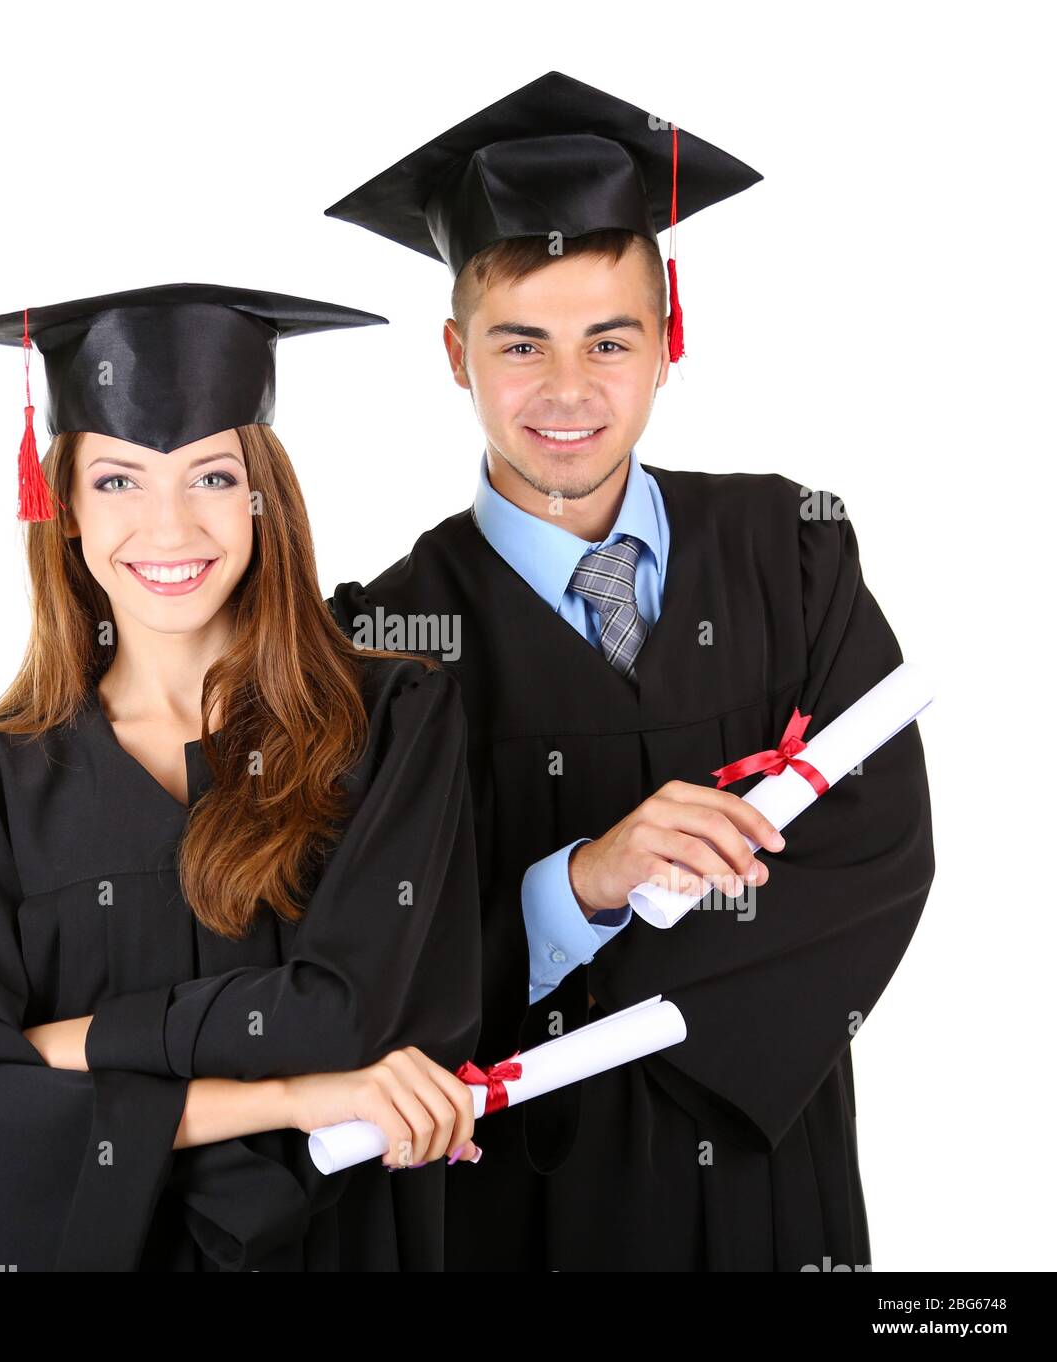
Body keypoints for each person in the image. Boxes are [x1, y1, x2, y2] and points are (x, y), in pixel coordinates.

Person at [324, 72, 936, 1270]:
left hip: (770, 1168)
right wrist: (581, 885)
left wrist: (655, 1021)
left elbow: (878, 850)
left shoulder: (793, 552)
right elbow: (374, 960)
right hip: (524, 1202)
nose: (567, 391)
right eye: (521, 344)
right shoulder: (383, 641)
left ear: (671, 342)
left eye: (610, 340)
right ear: (456, 354)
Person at [0, 283, 484, 1273]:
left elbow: (353, 1016)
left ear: (260, 499)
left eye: (208, 477)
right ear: (63, 509)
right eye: (117, 481)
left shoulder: (389, 725)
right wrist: (290, 1099)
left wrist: (61, 1048)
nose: (169, 528)